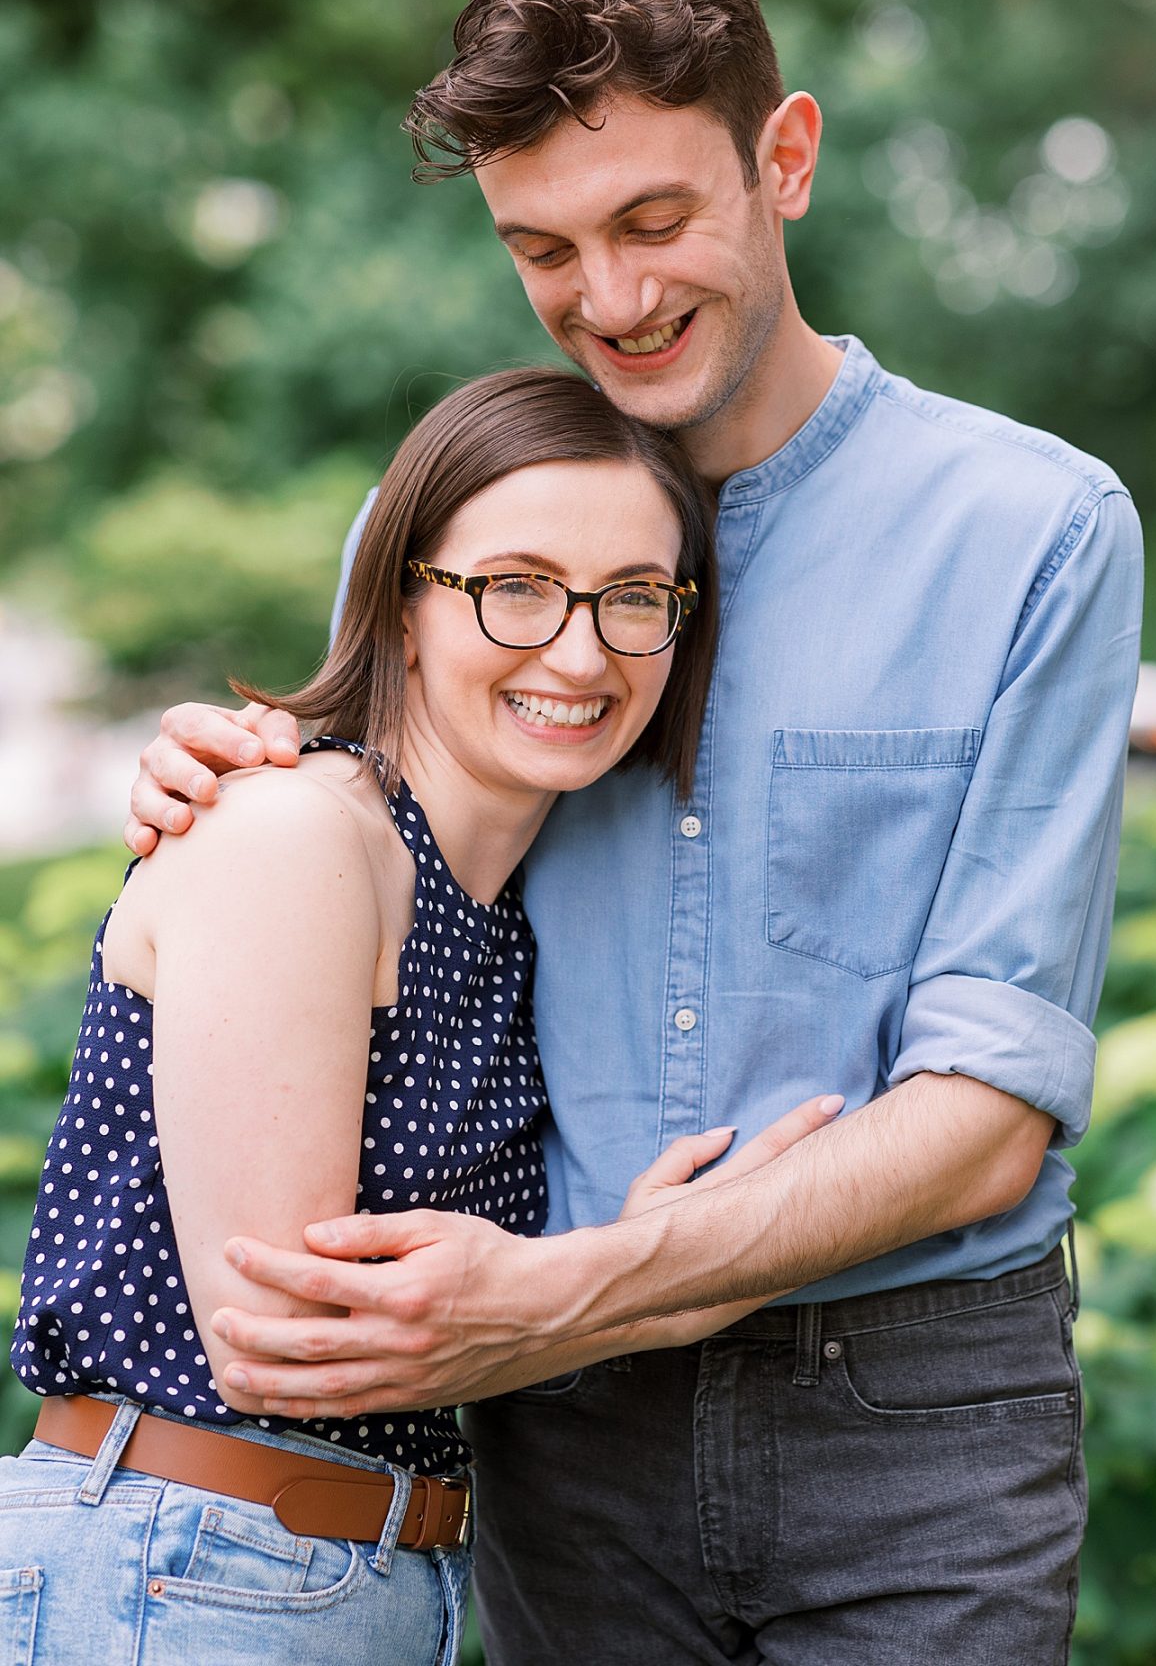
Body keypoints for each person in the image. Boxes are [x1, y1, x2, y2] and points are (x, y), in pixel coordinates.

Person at [127, 0, 1144, 1664]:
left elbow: (987, 1112)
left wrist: (554, 1298)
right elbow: (366, 876)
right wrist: (229, 789)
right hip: (548, 1435)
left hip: (910, 1415)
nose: (611, 300)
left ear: (787, 159)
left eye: (656, 220)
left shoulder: (1033, 533)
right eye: (543, 249)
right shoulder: (441, 535)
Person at [4, 366, 839, 1662]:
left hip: (344, 1580)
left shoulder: (505, 902)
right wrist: (665, 1283)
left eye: (632, 599)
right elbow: (276, 1348)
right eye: (515, 586)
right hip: (185, 1564)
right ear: (402, 598)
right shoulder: (297, 832)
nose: (578, 650)